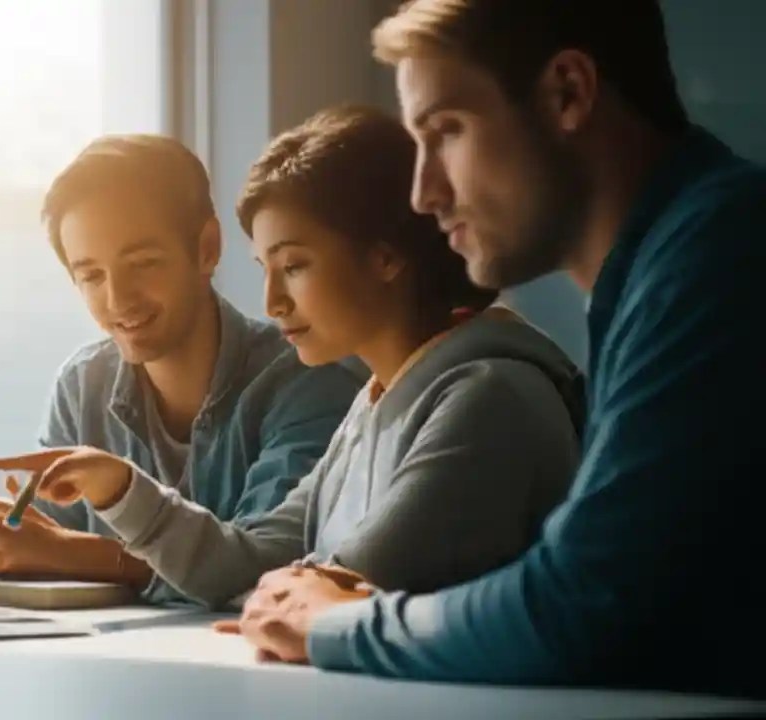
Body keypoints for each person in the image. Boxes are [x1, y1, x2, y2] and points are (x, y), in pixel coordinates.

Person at [219, 0, 766, 697]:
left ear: (568, 92)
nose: (423, 193)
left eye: (446, 131)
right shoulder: (662, 269)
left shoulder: (717, 254)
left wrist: (337, 624)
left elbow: (576, 605)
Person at [0, 106, 582, 607]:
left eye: (293, 266)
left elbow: (344, 590)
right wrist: (119, 486)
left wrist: (297, 592)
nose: (271, 302)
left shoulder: (487, 397)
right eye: (265, 269)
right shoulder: (373, 403)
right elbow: (252, 566)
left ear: (384, 256)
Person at [0, 135, 366, 603]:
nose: (118, 300)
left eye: (143, 264)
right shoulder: (83, 386)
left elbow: (262, 572)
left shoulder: (308, 380)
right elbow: (50, 552)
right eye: (91, 275)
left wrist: (72, 553)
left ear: (207, 248)